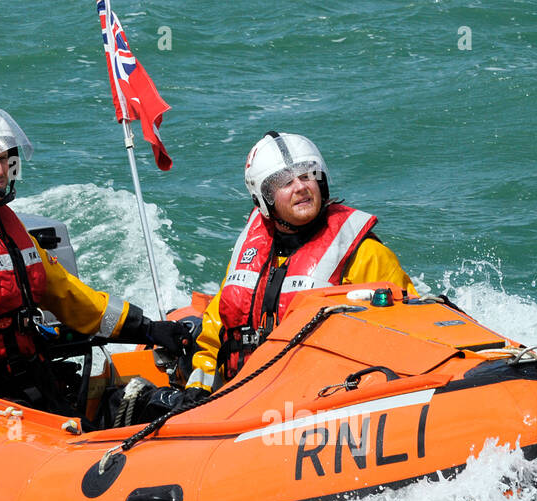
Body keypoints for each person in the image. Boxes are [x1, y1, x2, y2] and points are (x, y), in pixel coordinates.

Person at [0, 103, 187, 414]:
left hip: (28, 374)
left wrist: (146, 328)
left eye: (4, 158)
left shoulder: (9, 228)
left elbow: (67, 294)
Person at [178, 131, 417, 402]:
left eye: (308, 176)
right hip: (245, 398)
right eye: (284, 182)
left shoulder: (366, 254)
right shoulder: (253, 250)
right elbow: (215, 332)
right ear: (264, 199)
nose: (301, 187)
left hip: (323, 401)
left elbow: (406, 332)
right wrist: (197, 390)